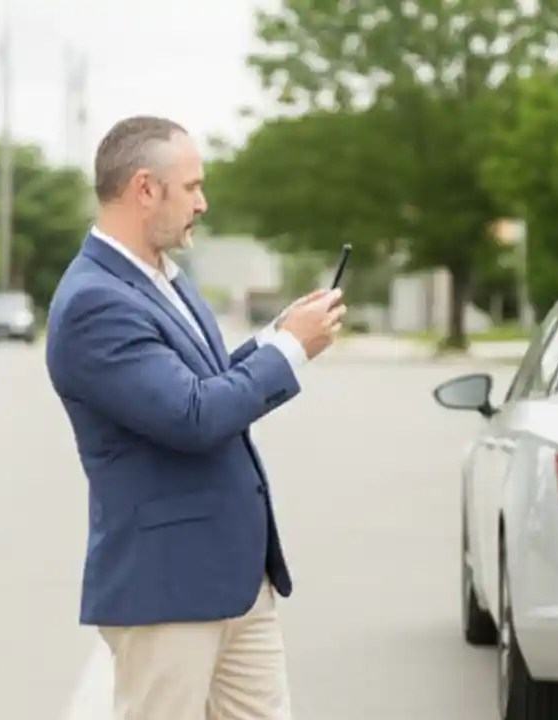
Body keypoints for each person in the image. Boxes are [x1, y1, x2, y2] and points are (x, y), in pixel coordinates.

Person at [44, 115, 345, 719]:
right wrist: (293, 351)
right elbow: (192, 415)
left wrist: (276, 335)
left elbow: (202, 383)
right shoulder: (94, 302)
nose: (203, 203)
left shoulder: (163, 279)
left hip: (236, 578)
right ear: (145, 188)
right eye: (192, 187)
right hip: (168, 589)